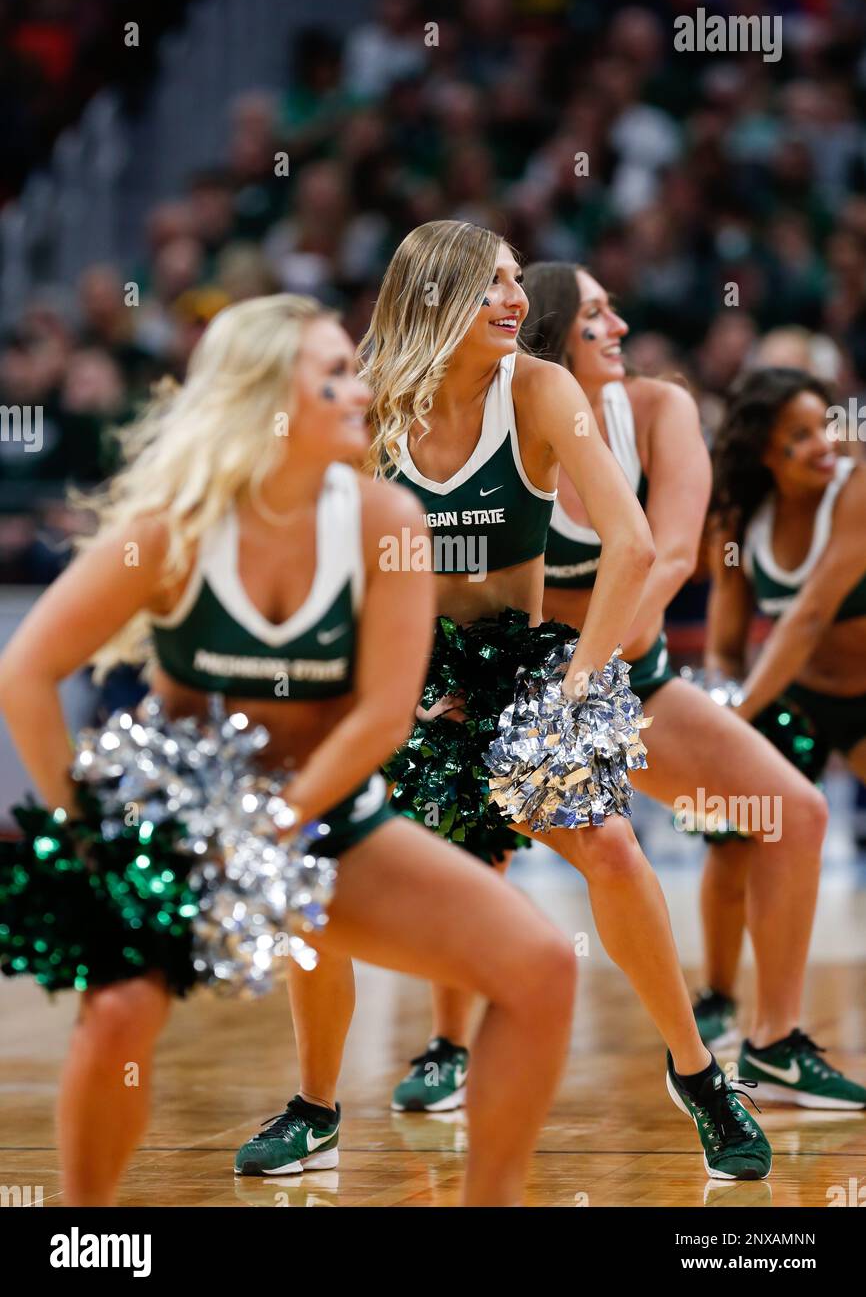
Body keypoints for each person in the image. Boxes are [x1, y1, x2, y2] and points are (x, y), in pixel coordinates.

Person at [0, 294, 580, 1208]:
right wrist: (84, 837)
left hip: (328, 817)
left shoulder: (385, 523)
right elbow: (26, 673)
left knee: (542, 968)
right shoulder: (175, 527)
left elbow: (384, 717)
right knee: (115, 1010)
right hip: (187, 826)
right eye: (334, 377)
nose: (362, 391)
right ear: (265, 399)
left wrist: (279, 824)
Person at [244, 223, 772, 1183]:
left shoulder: (537, 389)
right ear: (433, 296)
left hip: (517, 670)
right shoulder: (368, 408)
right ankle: (316, 1106)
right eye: (490, 283)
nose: (515, 298)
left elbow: (636, 546)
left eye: (518, 281)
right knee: (311, 875)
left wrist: (572, 691)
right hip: (400, 675)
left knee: (609, 848)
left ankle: (699, 1075)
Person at [694, 366, 866, 1107]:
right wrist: (725, 701)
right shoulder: (738, 520)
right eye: (798, 436)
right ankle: (721, 999)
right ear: (764, 451)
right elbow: (728, 642)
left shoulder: (857, 489)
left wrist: (730, 718)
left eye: (825, 423)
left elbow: (804, 620)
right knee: (733, 837)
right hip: (789, 698)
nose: (822, 443)